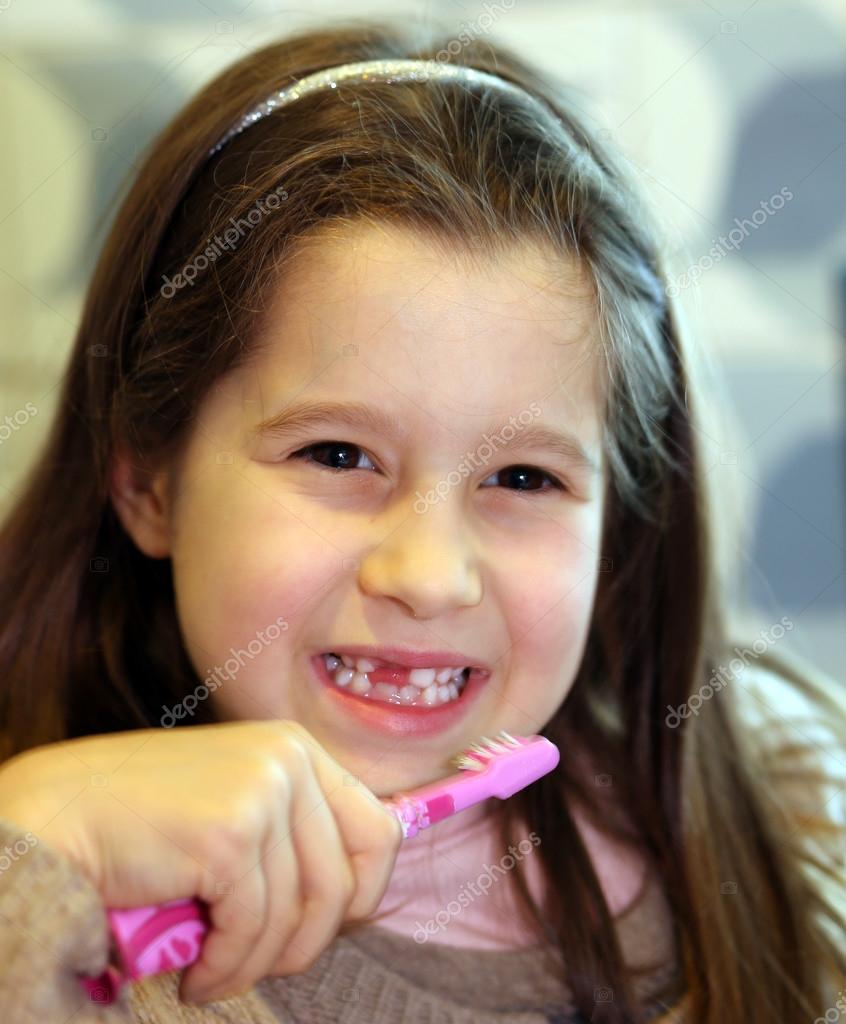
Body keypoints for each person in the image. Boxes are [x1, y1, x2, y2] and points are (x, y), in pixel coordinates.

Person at [0, 18, 843, 1024]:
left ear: (619, 518)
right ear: (148, 484)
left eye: (524, 478)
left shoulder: (793, 799)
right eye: (339, 455)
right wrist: (44, 840)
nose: (431, 574)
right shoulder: (58, 915)